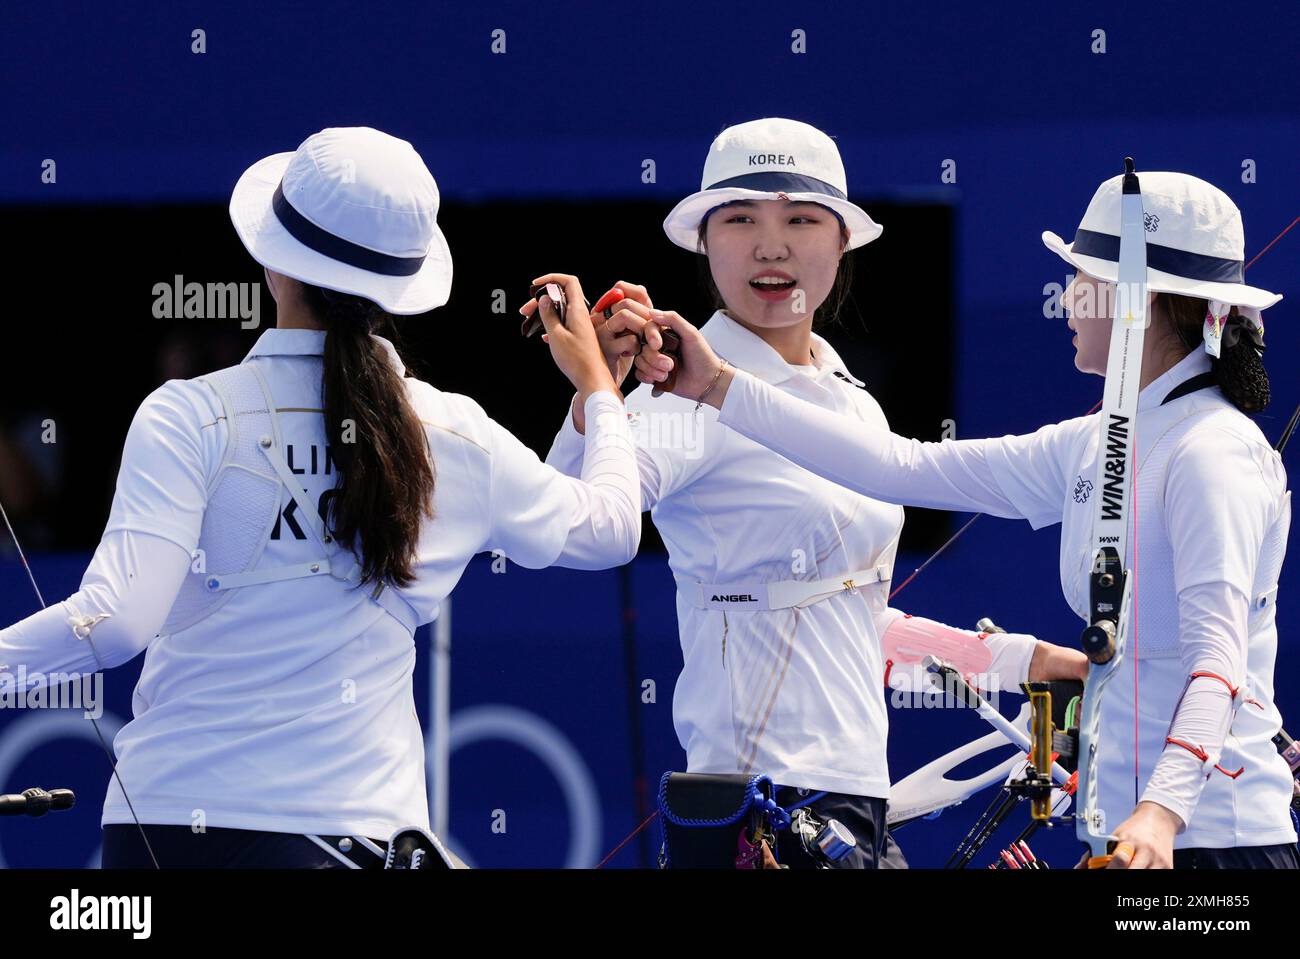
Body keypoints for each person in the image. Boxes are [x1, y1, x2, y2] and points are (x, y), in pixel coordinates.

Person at [0, 126, 641, 868]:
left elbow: (110, 626)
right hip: (349, 839)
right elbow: (609, 527)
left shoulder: (188, 415)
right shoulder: (453, 435)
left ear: (273, 265)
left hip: (166, 834)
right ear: (400, 290)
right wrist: (598, 389)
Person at [634, 168, 1297, 869]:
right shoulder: (1094, 443)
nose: (1067, 297)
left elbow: (1216, 665)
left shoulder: (1212, 453)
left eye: (1084, 278)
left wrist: (1160, 812)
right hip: (1130, 841)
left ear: (1138, 302)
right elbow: (900, 465)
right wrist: (716, 385)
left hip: (1215, 844)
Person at [526, 118, 1086, 868]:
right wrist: (594, 393)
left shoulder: (851, 399)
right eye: (740, 219)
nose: (771, 245)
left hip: (851, 803)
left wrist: (1022, 661)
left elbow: (850, 616)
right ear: (703, 241)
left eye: (800, 219)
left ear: (842, 241)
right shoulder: (680, 392)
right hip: (757, 812)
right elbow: (565, 528)